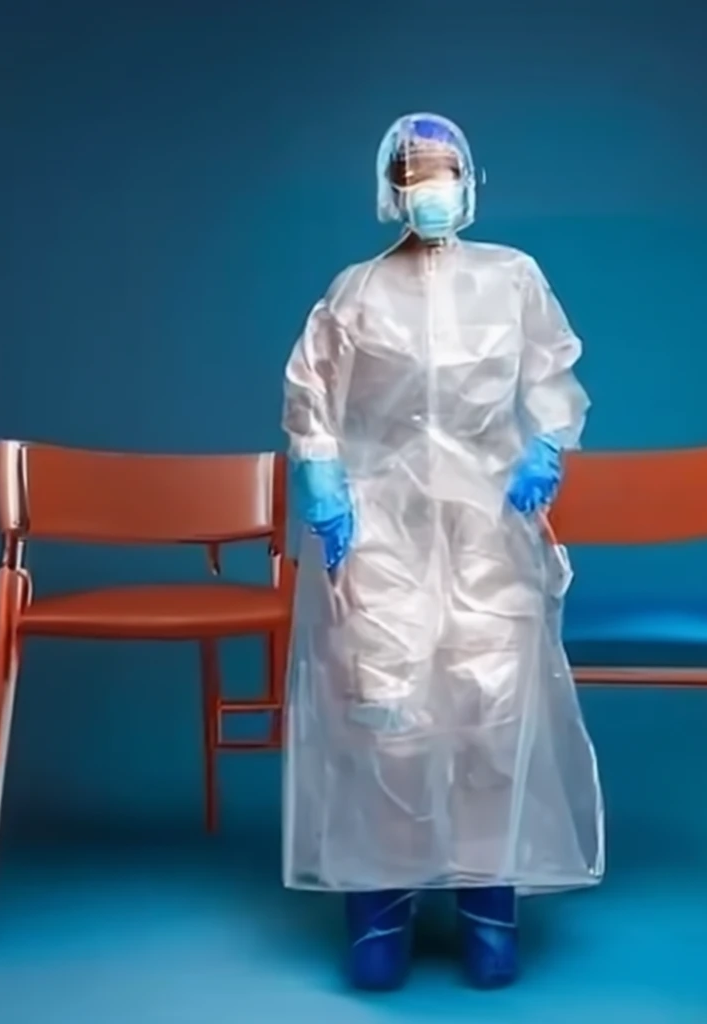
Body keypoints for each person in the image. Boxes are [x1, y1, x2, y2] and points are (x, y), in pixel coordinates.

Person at [280, 112, 604, 991]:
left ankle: (487, 904)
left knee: (490, 707)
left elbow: (552, 375)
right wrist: (321, 482)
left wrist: (546, 445)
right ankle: (377, 905)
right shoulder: (354, 292)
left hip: (488, 525)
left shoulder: (512, 279)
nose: (433, 185)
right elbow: (311, 394)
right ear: (391, 189)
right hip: (381, 524)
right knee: (385, 711)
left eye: (446, 168)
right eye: (417, 170)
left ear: (472, 179)